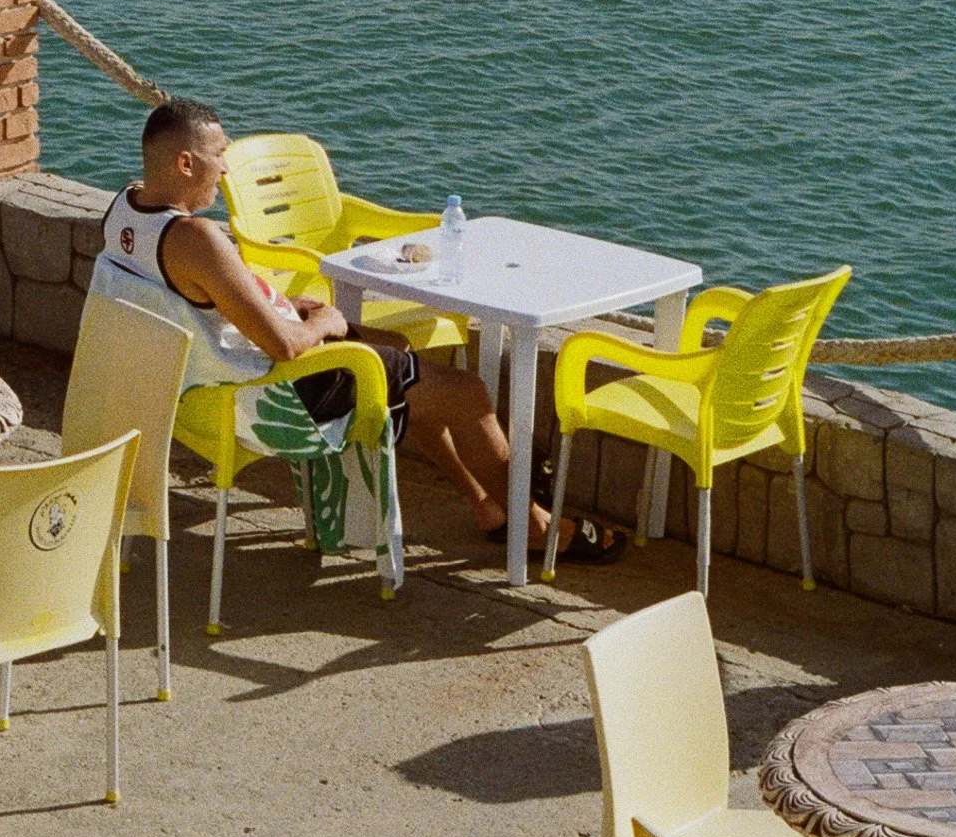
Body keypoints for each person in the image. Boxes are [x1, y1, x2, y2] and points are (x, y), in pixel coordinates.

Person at [94, 97, 623, 562]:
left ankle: (486, 503)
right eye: (219, 156)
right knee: (468, 393)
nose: (226, 170)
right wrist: (325, 317)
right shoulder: (195, 237)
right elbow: (280, 344)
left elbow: (203, 297)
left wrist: (276, 300)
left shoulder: (125, 210)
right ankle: (531, 524)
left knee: (398, 350)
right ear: (186, 162)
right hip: (271, 400)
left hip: (185, 395)